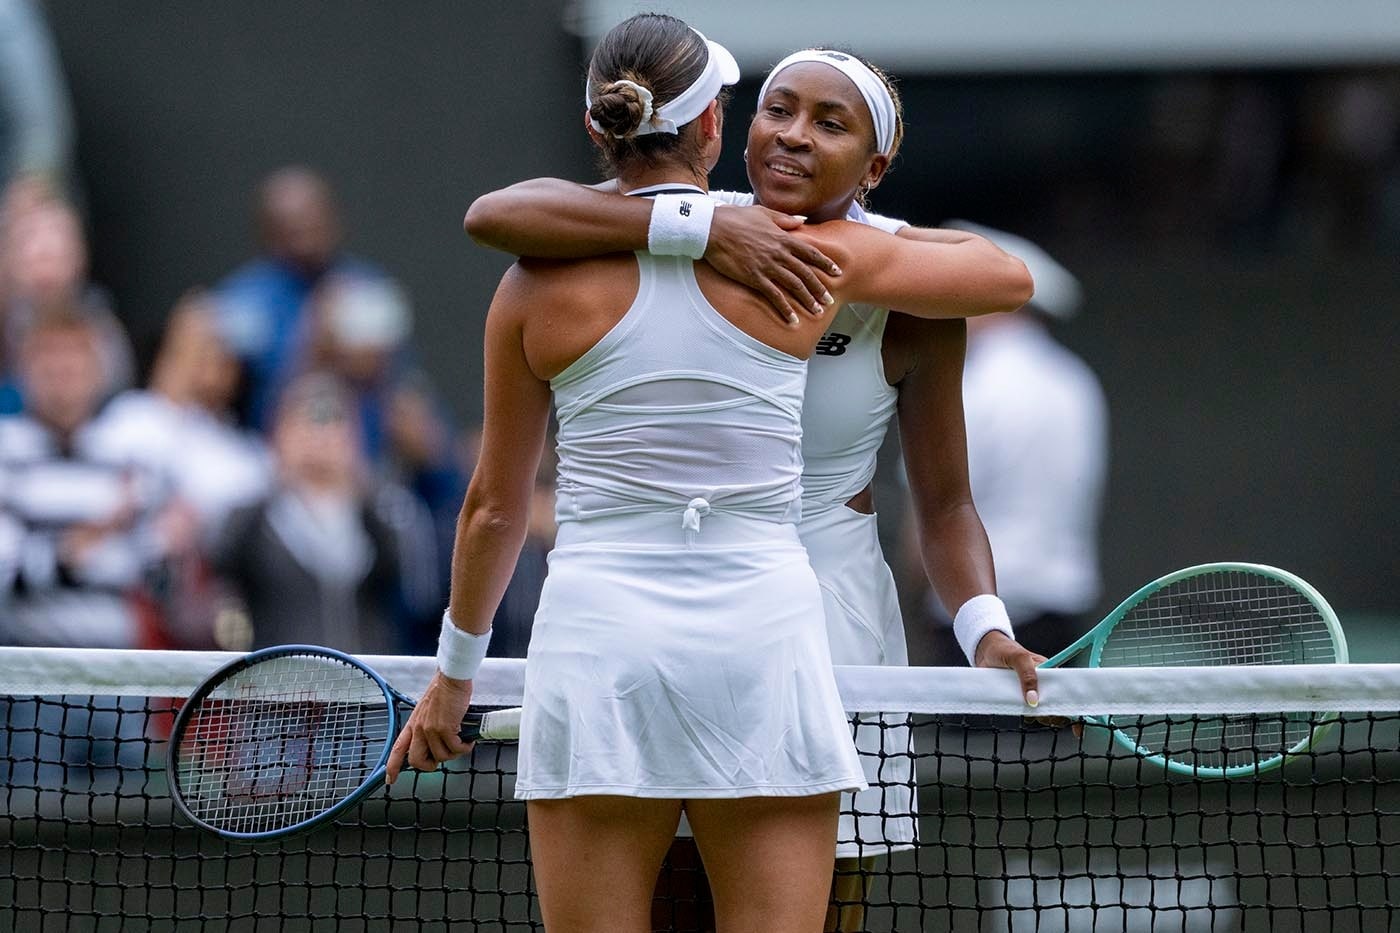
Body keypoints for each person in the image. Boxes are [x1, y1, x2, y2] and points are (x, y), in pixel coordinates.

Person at [387, 15, 1032, 933]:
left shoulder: (542, 279)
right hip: (758, 637)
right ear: (717, 130)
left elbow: (492, 503)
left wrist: (455, 675)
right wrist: (704, 228)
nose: (796, 134)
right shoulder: (805, 256)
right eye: (776, 108)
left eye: (830, 122)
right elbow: (505, 214)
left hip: (698, 629)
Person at [930, 221, 1109, 660]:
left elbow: (934, 507)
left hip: (977, 618)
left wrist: (918, 596)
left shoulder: (970, 385)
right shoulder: (1076, 381)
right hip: (1065, 616)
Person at [208, 370, 439, 654]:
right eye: (306, 426)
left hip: (364, 680)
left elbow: (413, 582)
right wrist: (280, 479)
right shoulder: (261, 513)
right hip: (279, 681)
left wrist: (358, 485)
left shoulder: (376, 505)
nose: (320, 441)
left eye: (334, 426)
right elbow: (220, 559)